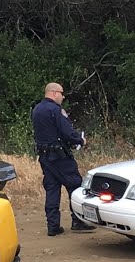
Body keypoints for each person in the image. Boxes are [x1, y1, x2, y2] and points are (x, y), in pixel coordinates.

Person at [31, 82, 95, 236]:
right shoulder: (55, 110)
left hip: (45, 157)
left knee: (52, 188)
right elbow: (67, 132)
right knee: (75, 186)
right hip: (60, 157)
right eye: (61, 93)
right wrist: (80, 140)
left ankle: (53, 225)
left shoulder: (36, 109)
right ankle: (78, 221)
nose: (63, 96)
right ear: (53, 93)